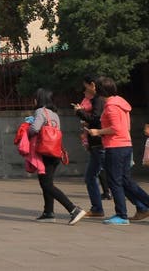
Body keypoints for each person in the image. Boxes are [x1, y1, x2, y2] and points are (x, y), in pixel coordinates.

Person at [85, 76, 149, 224]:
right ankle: (142, 206)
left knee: (114, 181)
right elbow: (125, 127)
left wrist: (98, 132)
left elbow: (116, 128)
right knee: (126, 181)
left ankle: (121, 215)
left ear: (100, 90)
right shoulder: (121, 103)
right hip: (125, 145)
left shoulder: (111, 106)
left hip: (115, 147)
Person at [28, 88, 86, 224]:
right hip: (55, 152)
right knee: (47, 183)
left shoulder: (40, 111)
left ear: (39, 99)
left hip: (45, 152)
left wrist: (28, 127)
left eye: (35, 97)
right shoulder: (54, 114)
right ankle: (48, 212)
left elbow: (35, 129)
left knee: (47, 184)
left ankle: (73, 209)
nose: (34, 100)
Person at [73, 76, 107, 217]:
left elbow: (95, 119)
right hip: (95, 145)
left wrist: (80, 112)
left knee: (118, 179)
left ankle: (142, 205)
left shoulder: (99, 100)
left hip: (100, 144)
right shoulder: (95, 101)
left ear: (92, 85)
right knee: (90, 177)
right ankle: (97, 209)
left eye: (86, 86)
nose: (85, 90)